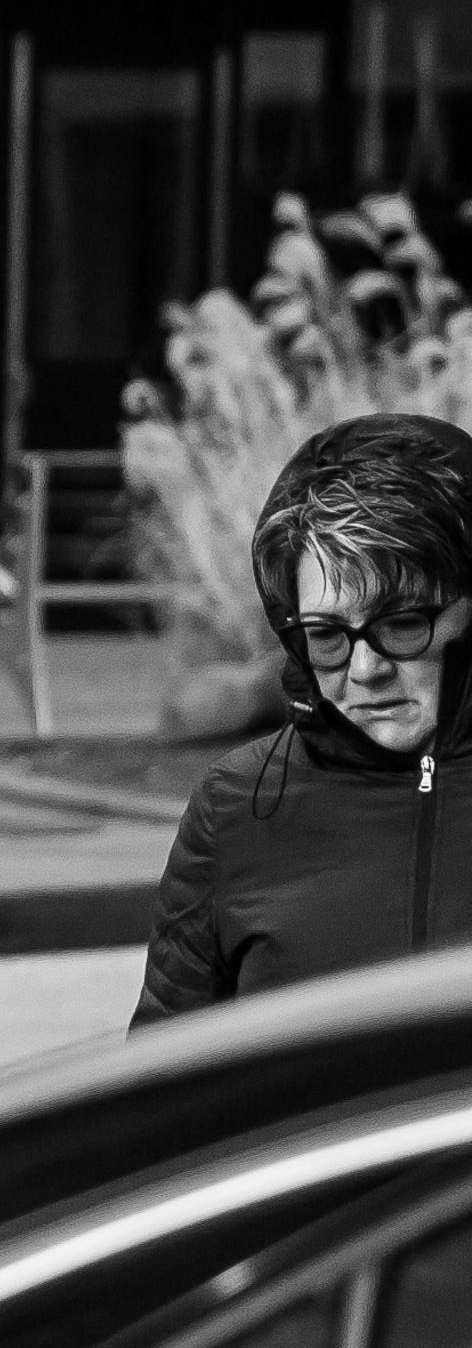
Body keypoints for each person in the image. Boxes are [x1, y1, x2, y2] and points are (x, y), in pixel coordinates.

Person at [136, 410, 472, 1024]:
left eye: (402, 624)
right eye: (326, 635)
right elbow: (168, 1069)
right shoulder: (237, 806)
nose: (365, 668)